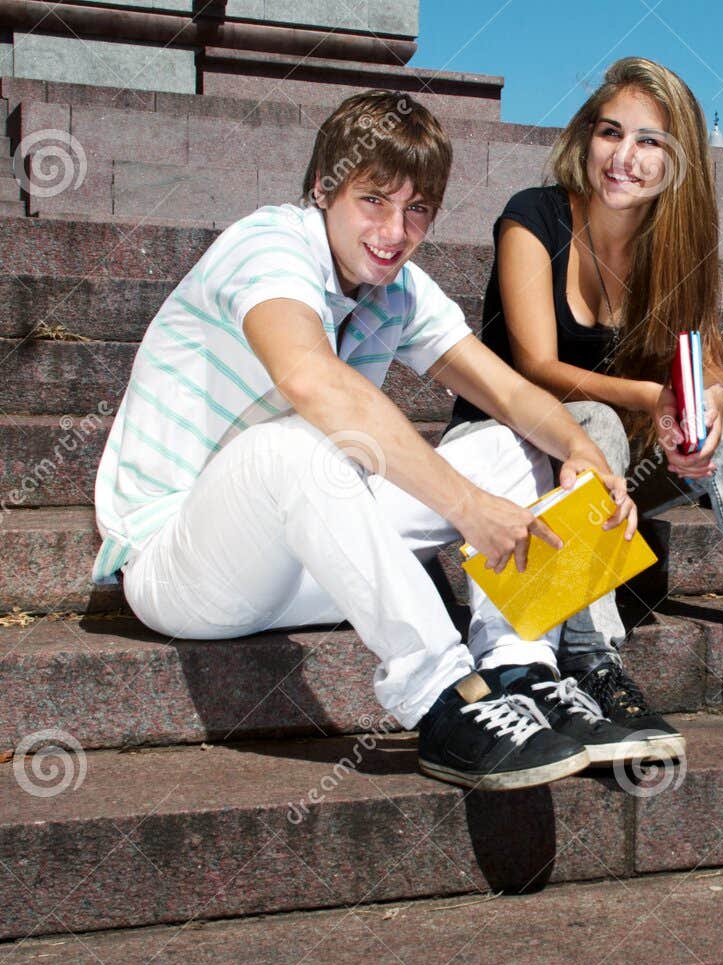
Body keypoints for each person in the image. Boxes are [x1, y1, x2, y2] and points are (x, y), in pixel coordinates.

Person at [91, 89, 646, 791]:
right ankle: (443, 700)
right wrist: (469, 507)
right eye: (374, 200)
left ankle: (521, 670)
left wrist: (584, 455)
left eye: (417, 209)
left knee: (515, 445)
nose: (394, 230)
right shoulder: (267, 245)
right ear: (324, 190)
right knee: (298, 442)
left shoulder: (399, 288)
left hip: (313, 559)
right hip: (185, 568)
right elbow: (312, 380)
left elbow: (507, 392)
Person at [451, 57, 723, 751]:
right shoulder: (533, 217)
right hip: (515, 455)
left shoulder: (673, 244)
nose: (624, 157)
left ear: (677, 160)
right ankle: (591, 659)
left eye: (649, 142)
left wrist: (705, 407)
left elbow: (712, 366)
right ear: (586, 137)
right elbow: (536, 366)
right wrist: (652, 396)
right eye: (611, 133)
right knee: (597, 420)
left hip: (612, 477)